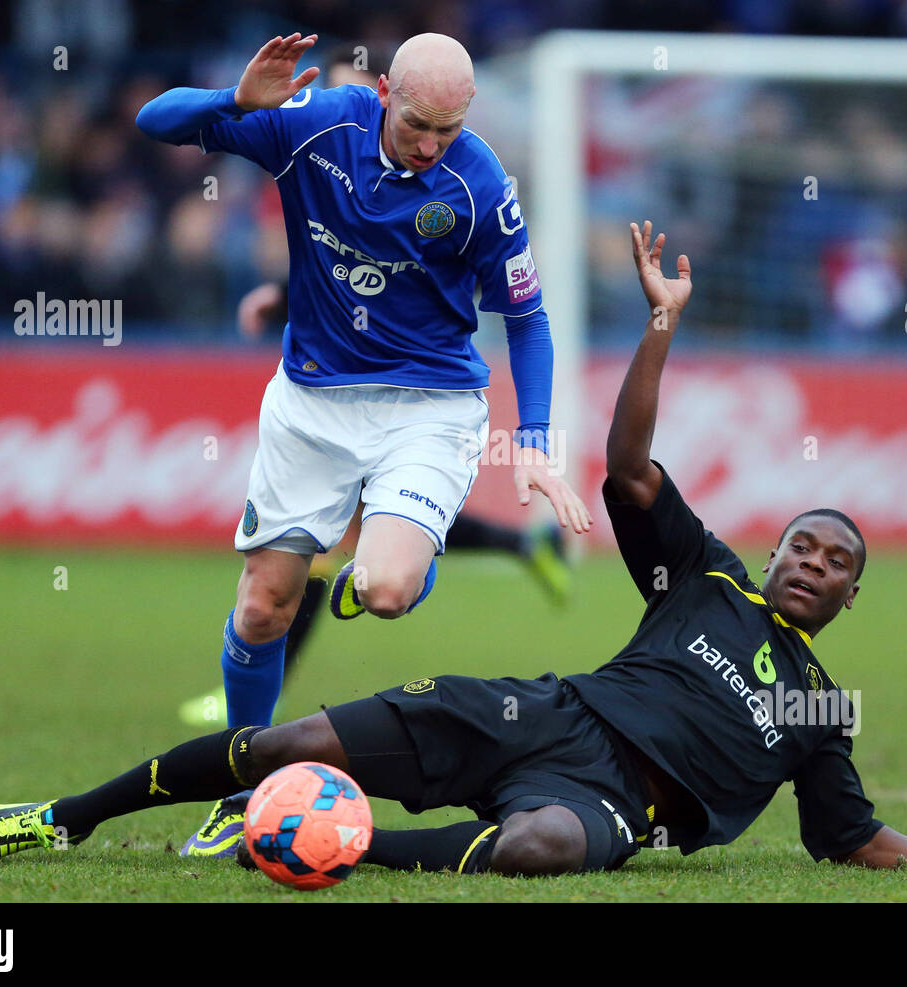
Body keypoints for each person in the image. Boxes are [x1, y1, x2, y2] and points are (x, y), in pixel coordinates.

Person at [0, 222, 907, 878]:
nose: (808, 558)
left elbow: (850, 841)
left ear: (853, 593)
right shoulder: (707, 577)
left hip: (615, 800)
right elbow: (632, 465)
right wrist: (658, 325)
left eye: (833, 558)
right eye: (800, 539)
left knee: (537, 848)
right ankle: (66, 813)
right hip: (546, 712)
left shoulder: (818, 708)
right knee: (296, 732)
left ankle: (313, 844)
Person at [135, 32, 591, 856]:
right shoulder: (313, 125)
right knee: (263, 605)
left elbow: (526, 317)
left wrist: (533, 437)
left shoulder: (481, 183)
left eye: (446, 131)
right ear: (384, 91)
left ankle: (400, 561)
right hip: (311, 400)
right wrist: (235, 104)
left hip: (430, 405)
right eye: (416, 123)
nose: (428, 146)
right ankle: (244, 788)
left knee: (382, 589)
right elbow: (152, 120)